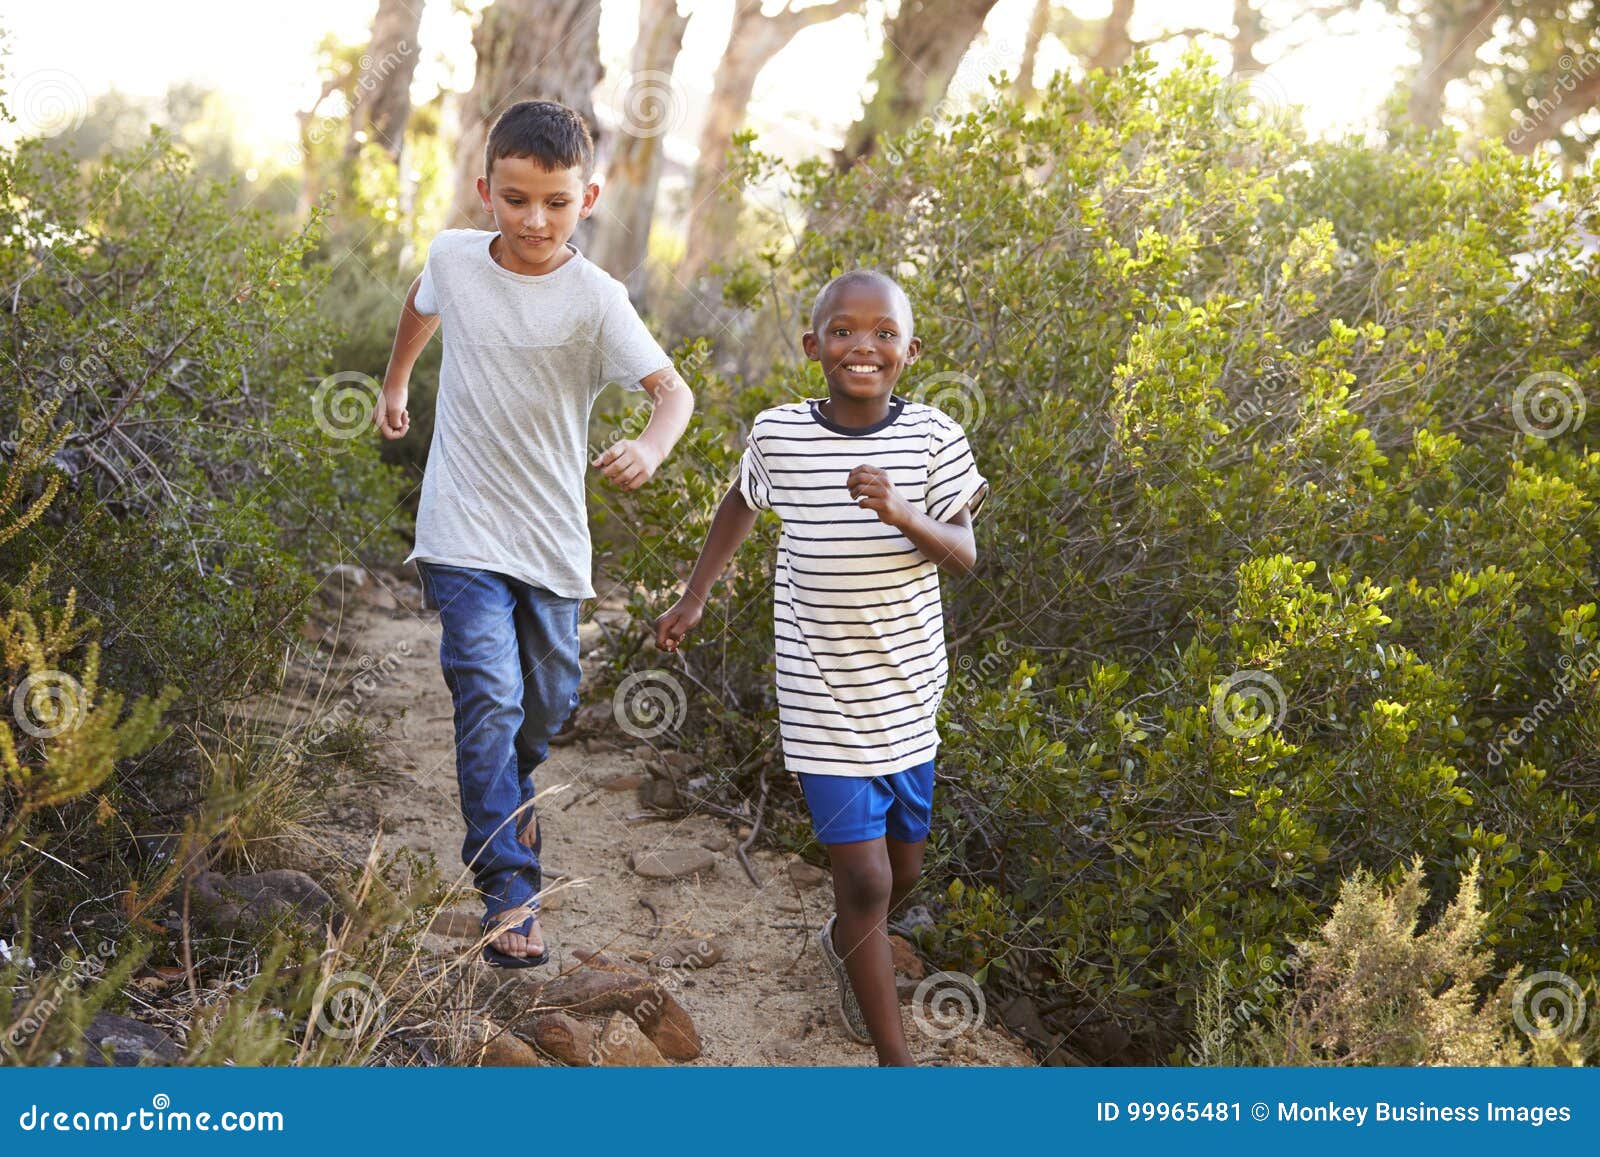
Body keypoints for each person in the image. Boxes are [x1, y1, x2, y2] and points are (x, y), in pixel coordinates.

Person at [374, 100, 694, 968]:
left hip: (551, 541)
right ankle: (508, 887)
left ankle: (510, 793)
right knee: (489, 691)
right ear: (486, 190)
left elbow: (675, 395)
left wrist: (651, 448)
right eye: (516, 200)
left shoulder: (597, 298)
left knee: (545, 701)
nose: (535, 221)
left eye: (554, 202)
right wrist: (398, 381)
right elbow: (420, 302)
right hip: (461, 528)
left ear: (587, 197)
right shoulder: (452, 257)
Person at [653, 270, 988, 1064]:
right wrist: (696, 594)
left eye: (882, 332)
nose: (861, 346)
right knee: (867, 880)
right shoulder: (780, 433)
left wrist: (901, 509)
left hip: (906, 697)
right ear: (813, 345)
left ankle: (848, 940)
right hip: (819, 696)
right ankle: (894, 1063)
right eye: (842, 331)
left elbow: (965, 554)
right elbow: (741, 499)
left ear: (911, 349)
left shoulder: (936, 438)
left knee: (902, 869)